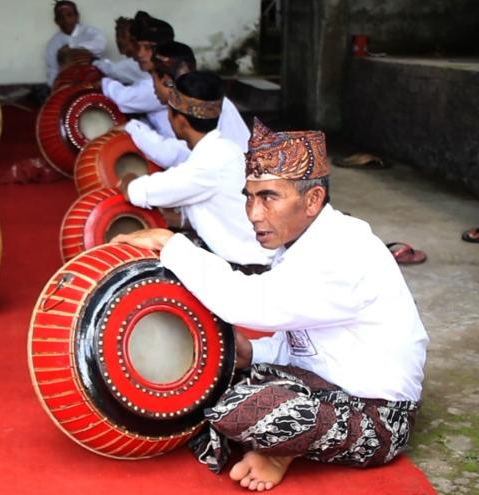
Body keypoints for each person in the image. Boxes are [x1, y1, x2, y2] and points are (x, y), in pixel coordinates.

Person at [112, 119, 428, 492]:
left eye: (269, 197)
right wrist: (250, 352)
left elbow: (250, 302)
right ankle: (277, 444)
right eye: (249, 196)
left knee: (240, 406)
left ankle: (280, 450)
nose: (254, 213)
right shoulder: (301, 245)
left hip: (377, 415)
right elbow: (299, 344)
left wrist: (171, 243)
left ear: (312, 200)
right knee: (213, 373)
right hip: (322, 386)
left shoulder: (344, 250)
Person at [118, 71, 272, 267]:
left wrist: (127, 177)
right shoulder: (228, 149)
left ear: (179, 120)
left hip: (247, 268)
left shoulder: (207, 164)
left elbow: (136, 192)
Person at [125, 41, 250, 168]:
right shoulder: (185, 100)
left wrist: (133, 128)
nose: (152, 86)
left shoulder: (203, 101)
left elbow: (178, 154)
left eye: (153, 77)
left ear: (166, 81)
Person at [102, 13, 172, 114]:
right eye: (138, 47)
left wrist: (103, 82)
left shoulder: (165, 83)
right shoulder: (152, 75)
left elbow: (122, 100)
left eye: (148, 48)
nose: (139, 54)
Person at [43, 0, 107, 87]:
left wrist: (72, 47)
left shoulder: (90, 32)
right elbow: (52, 70)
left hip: (94, 81)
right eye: (61, 17)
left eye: (69, 15)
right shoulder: (53, 43)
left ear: (77, 17)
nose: (66, 20)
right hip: (68, 85)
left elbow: (100, 45)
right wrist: (56, 87)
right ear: (56, 21)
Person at [92, 16, 145, 84]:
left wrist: (93, 61)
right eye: (117, 35)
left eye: (123, 36)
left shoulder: (140, 62)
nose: (119, 40)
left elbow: (112, 70)